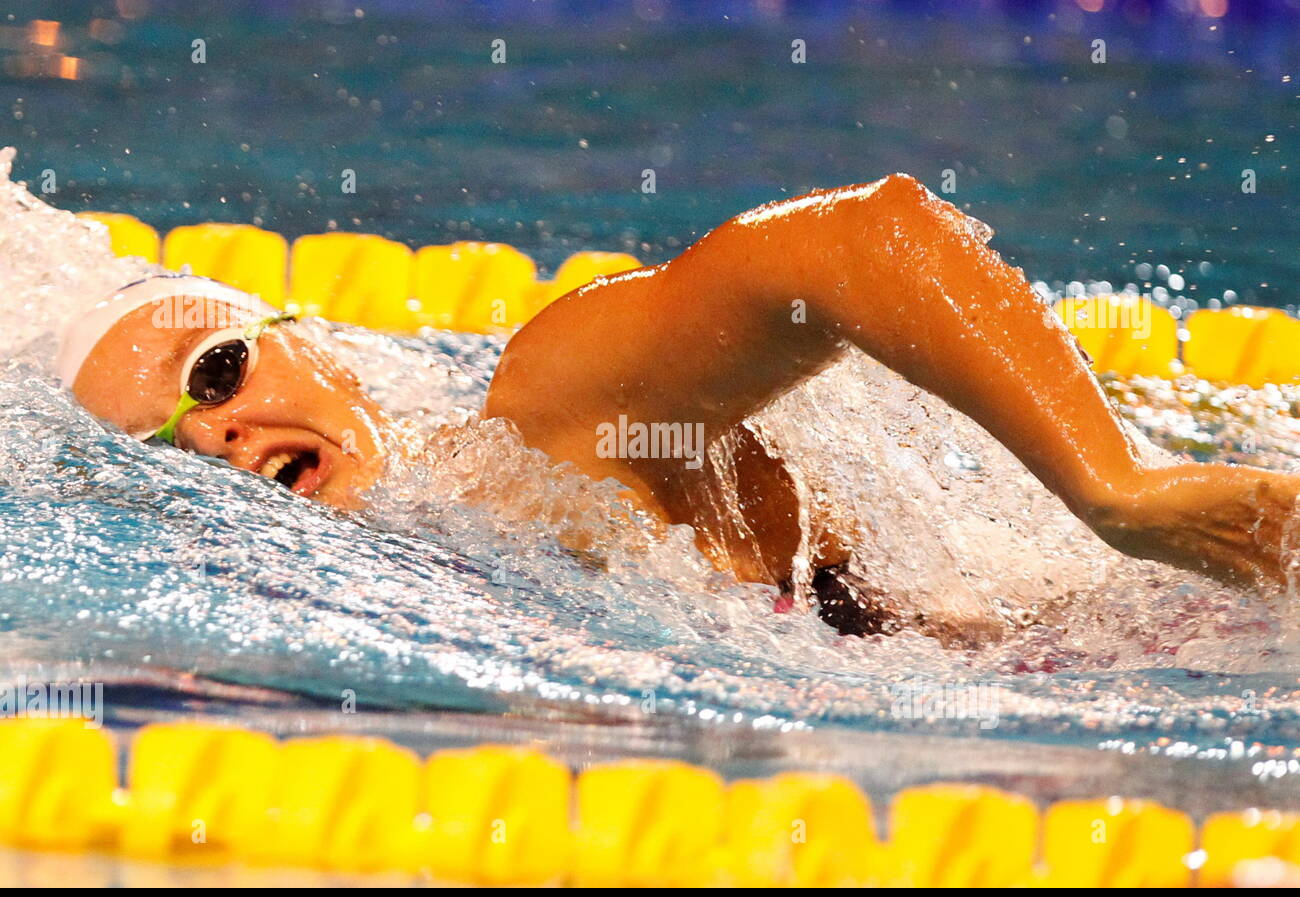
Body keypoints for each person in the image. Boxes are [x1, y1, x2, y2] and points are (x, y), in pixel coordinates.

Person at [59, 174, 1300, 636]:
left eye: (213, 372)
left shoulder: (537, 421)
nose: (215, 433)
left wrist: (1113, 488)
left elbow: (859, 242)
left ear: (317, 346)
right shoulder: (401, 580)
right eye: (168, 450)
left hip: (1188, 623)